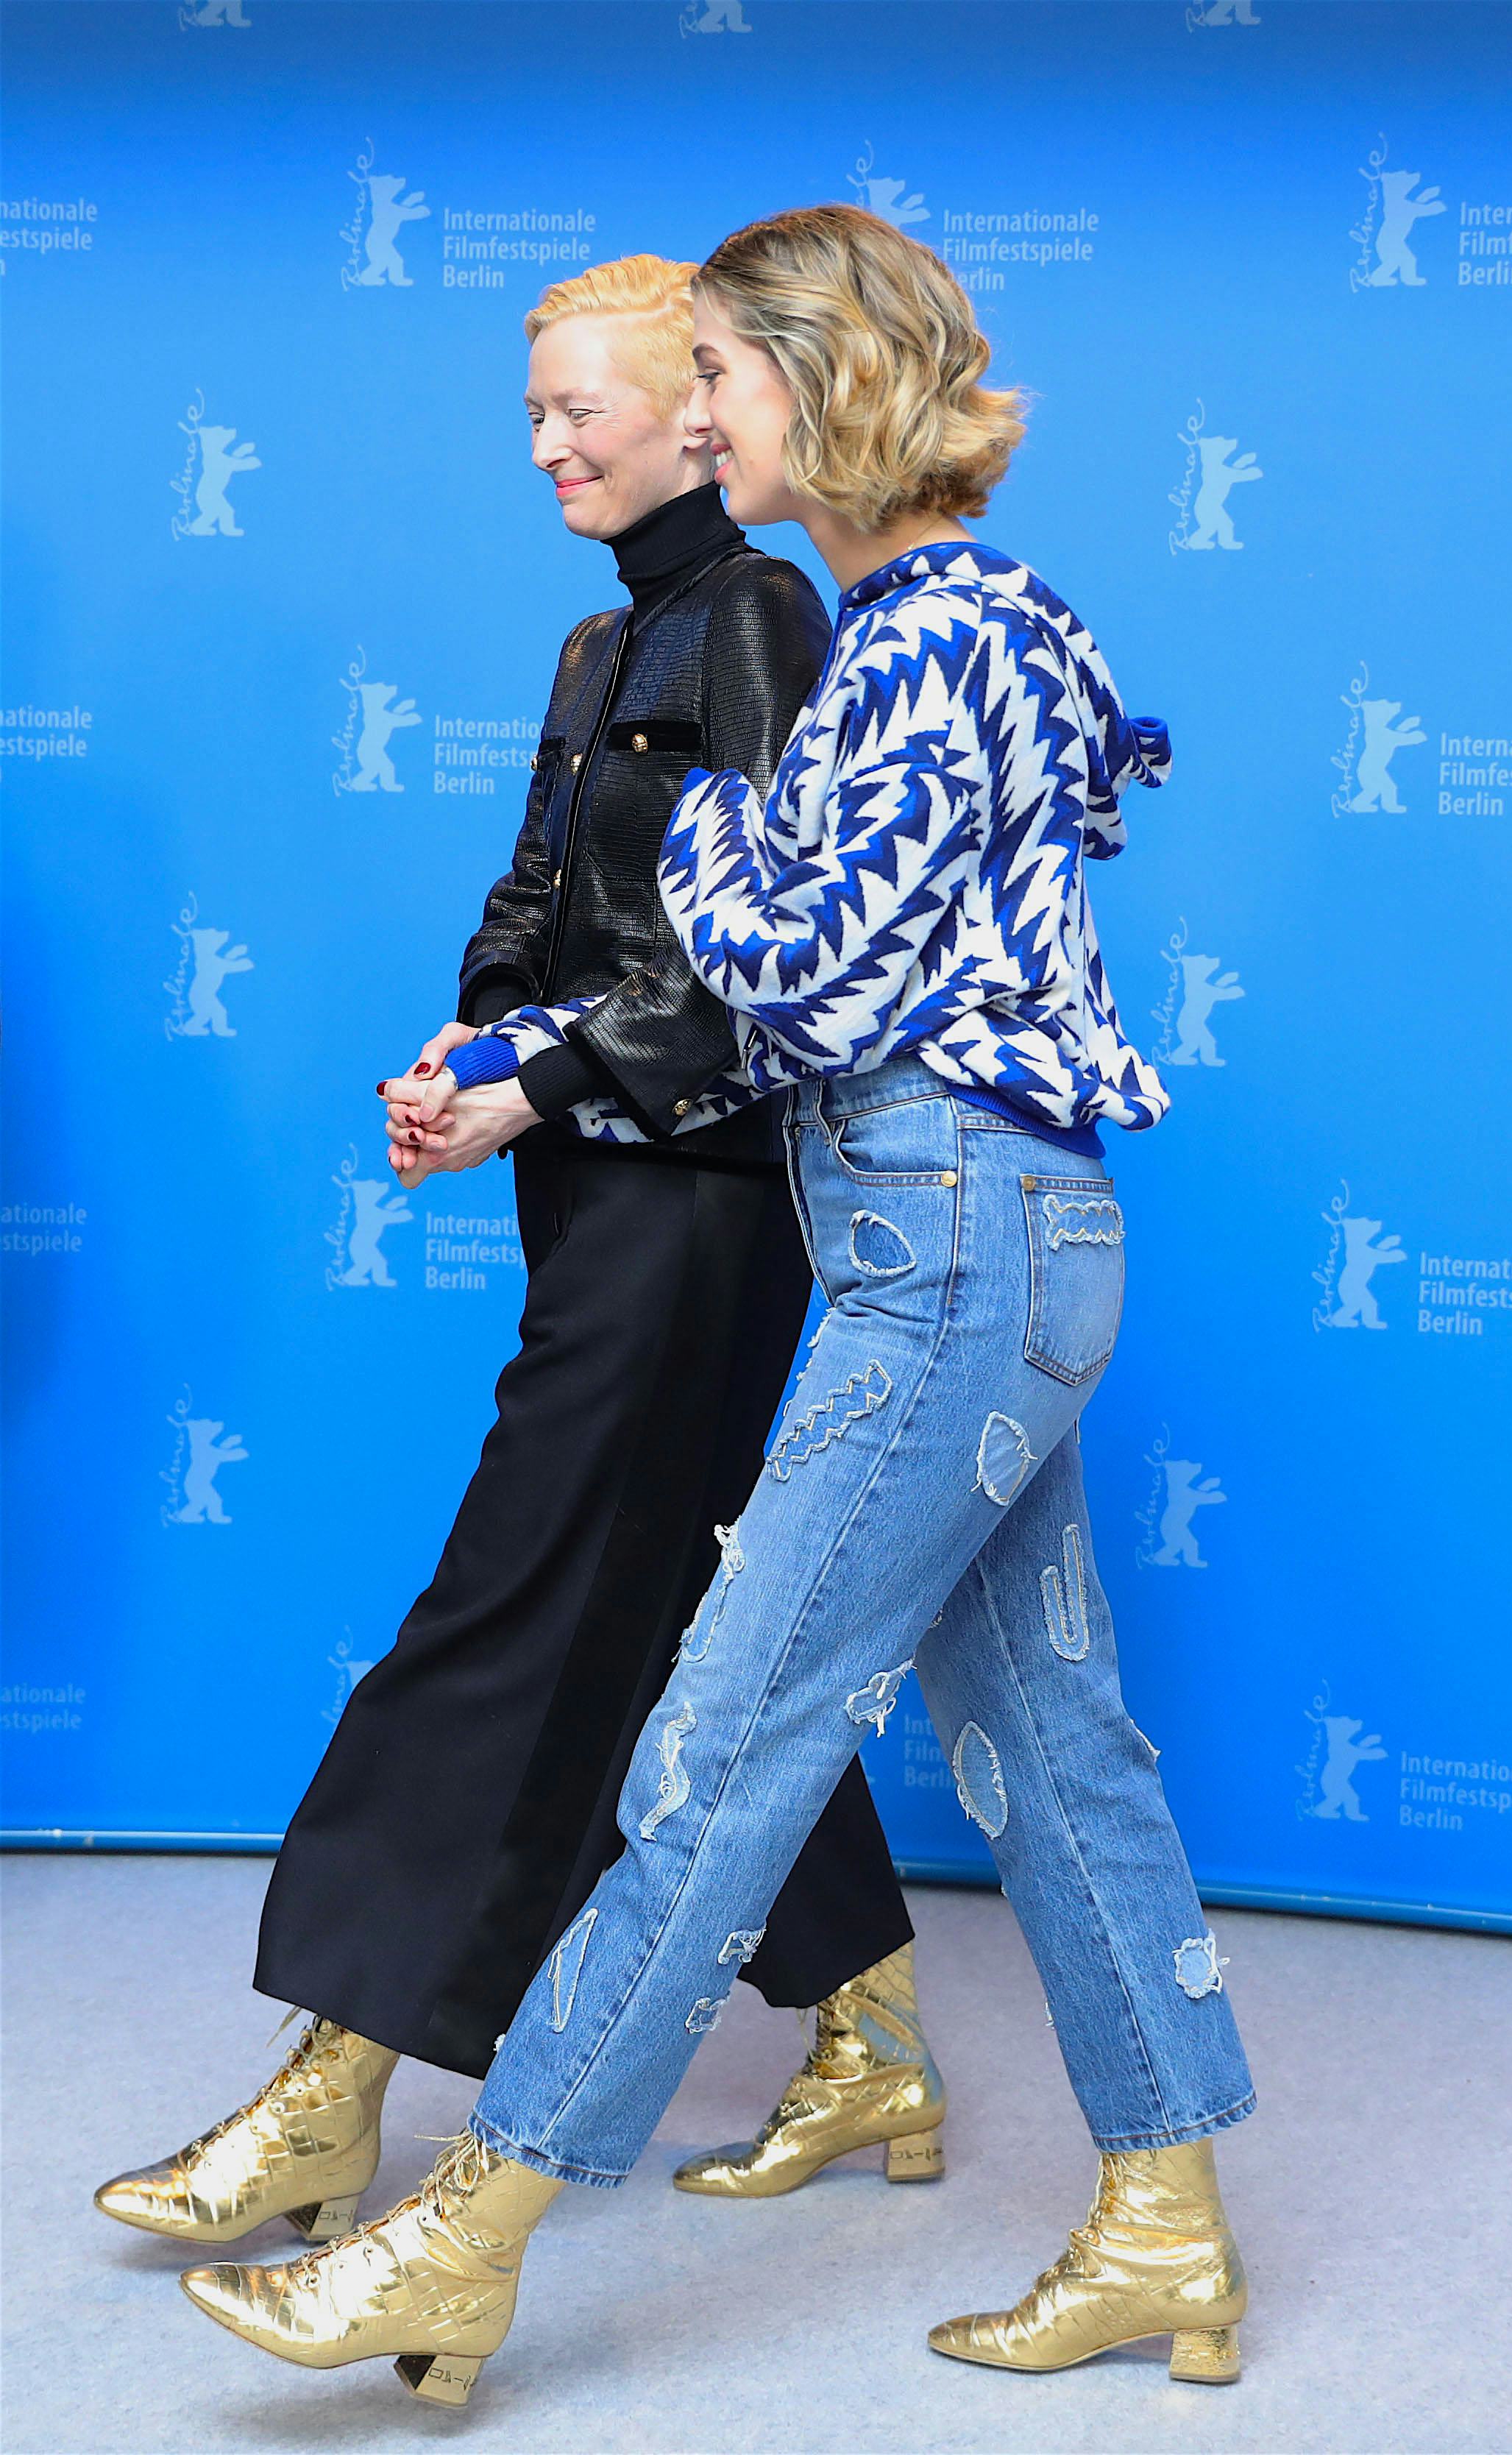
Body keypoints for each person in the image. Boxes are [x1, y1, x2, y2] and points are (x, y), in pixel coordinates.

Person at [177, 205, 1254, 2409]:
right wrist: (722, 901)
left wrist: (718, 866)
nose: (704, 410)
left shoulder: (931, 633)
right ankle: (1167, 2225)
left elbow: (801, 973)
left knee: (725, 1745)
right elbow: (843, 938)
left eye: (730, 379)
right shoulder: (939, 624)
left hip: (947, 1230)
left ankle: (465, 2233)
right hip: (978, 1221)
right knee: (1059, 1752)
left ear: (818, 385)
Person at [94, 254, 943, 2259]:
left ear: (704, 414)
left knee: (512, 1613)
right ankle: (872, 2031)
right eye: (536, 411)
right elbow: (545, 896)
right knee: (669, 1625)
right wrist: (472, 1045)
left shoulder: (757, 614)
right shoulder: (601, 638)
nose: (555, 441)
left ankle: (337, 2082)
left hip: (698, 1210)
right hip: (596, 1192)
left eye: (594, 406)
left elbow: (759, 979)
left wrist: (540, 1084)